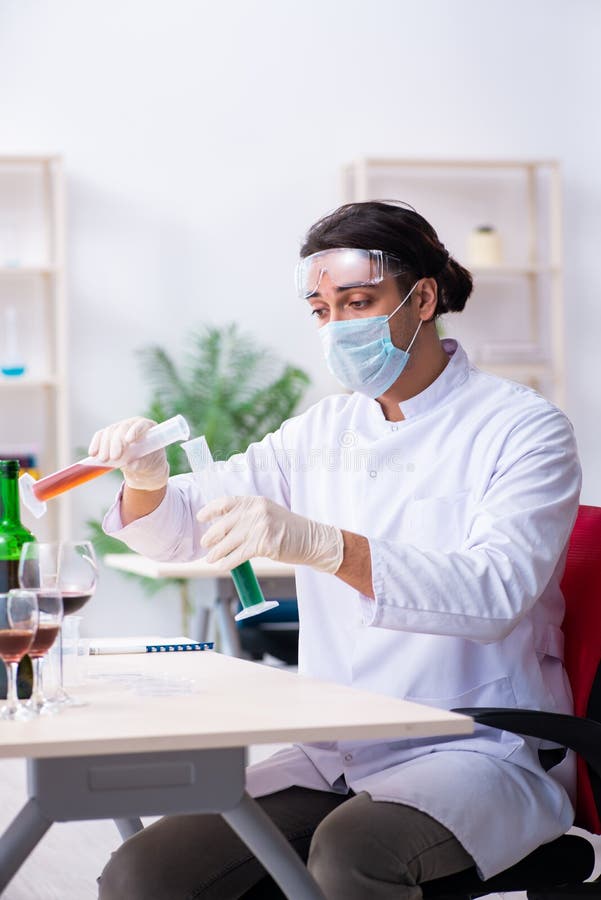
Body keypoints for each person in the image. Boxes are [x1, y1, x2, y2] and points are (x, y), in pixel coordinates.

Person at [93, 201, 581, 900]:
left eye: (358, 303)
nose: (338, 327)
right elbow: (184, 529)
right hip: (338, 750)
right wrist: (147, 481)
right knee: (146, 870)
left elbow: (493, 593)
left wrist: (325, 545)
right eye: (322, 311)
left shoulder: (522, 429)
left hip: (474, 745)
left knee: (352, 855)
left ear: (422, 299)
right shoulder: (319, 431)